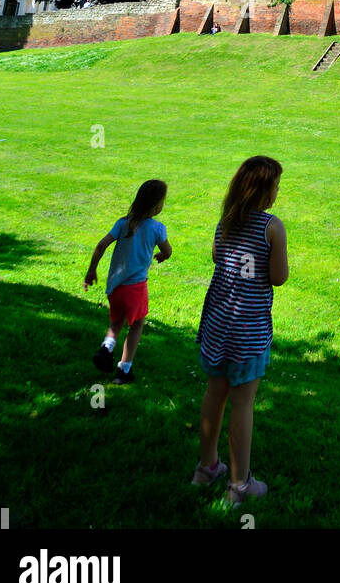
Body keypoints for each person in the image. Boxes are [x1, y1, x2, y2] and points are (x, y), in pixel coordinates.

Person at [194, 156, 288, 507]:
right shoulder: (271, 227)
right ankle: (239, 485)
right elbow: (278, 277)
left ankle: (206, 469)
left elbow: (218, 257)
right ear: (264, 191)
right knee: (243, 405)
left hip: (219, 321)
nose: (278, 192)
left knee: (214, 394)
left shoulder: (227, 221)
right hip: (248, 328)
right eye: (276, 186)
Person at [84, 179, 171, 385]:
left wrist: (91, 270)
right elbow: (168, 250)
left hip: (115, 287)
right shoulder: (157, 228)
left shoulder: (123, 223)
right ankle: (124, 370)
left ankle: (106, 348)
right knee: (137, 325)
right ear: (157, 205)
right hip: (136, 288)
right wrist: (162, 255)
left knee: (116, 322)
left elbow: (100, 246)